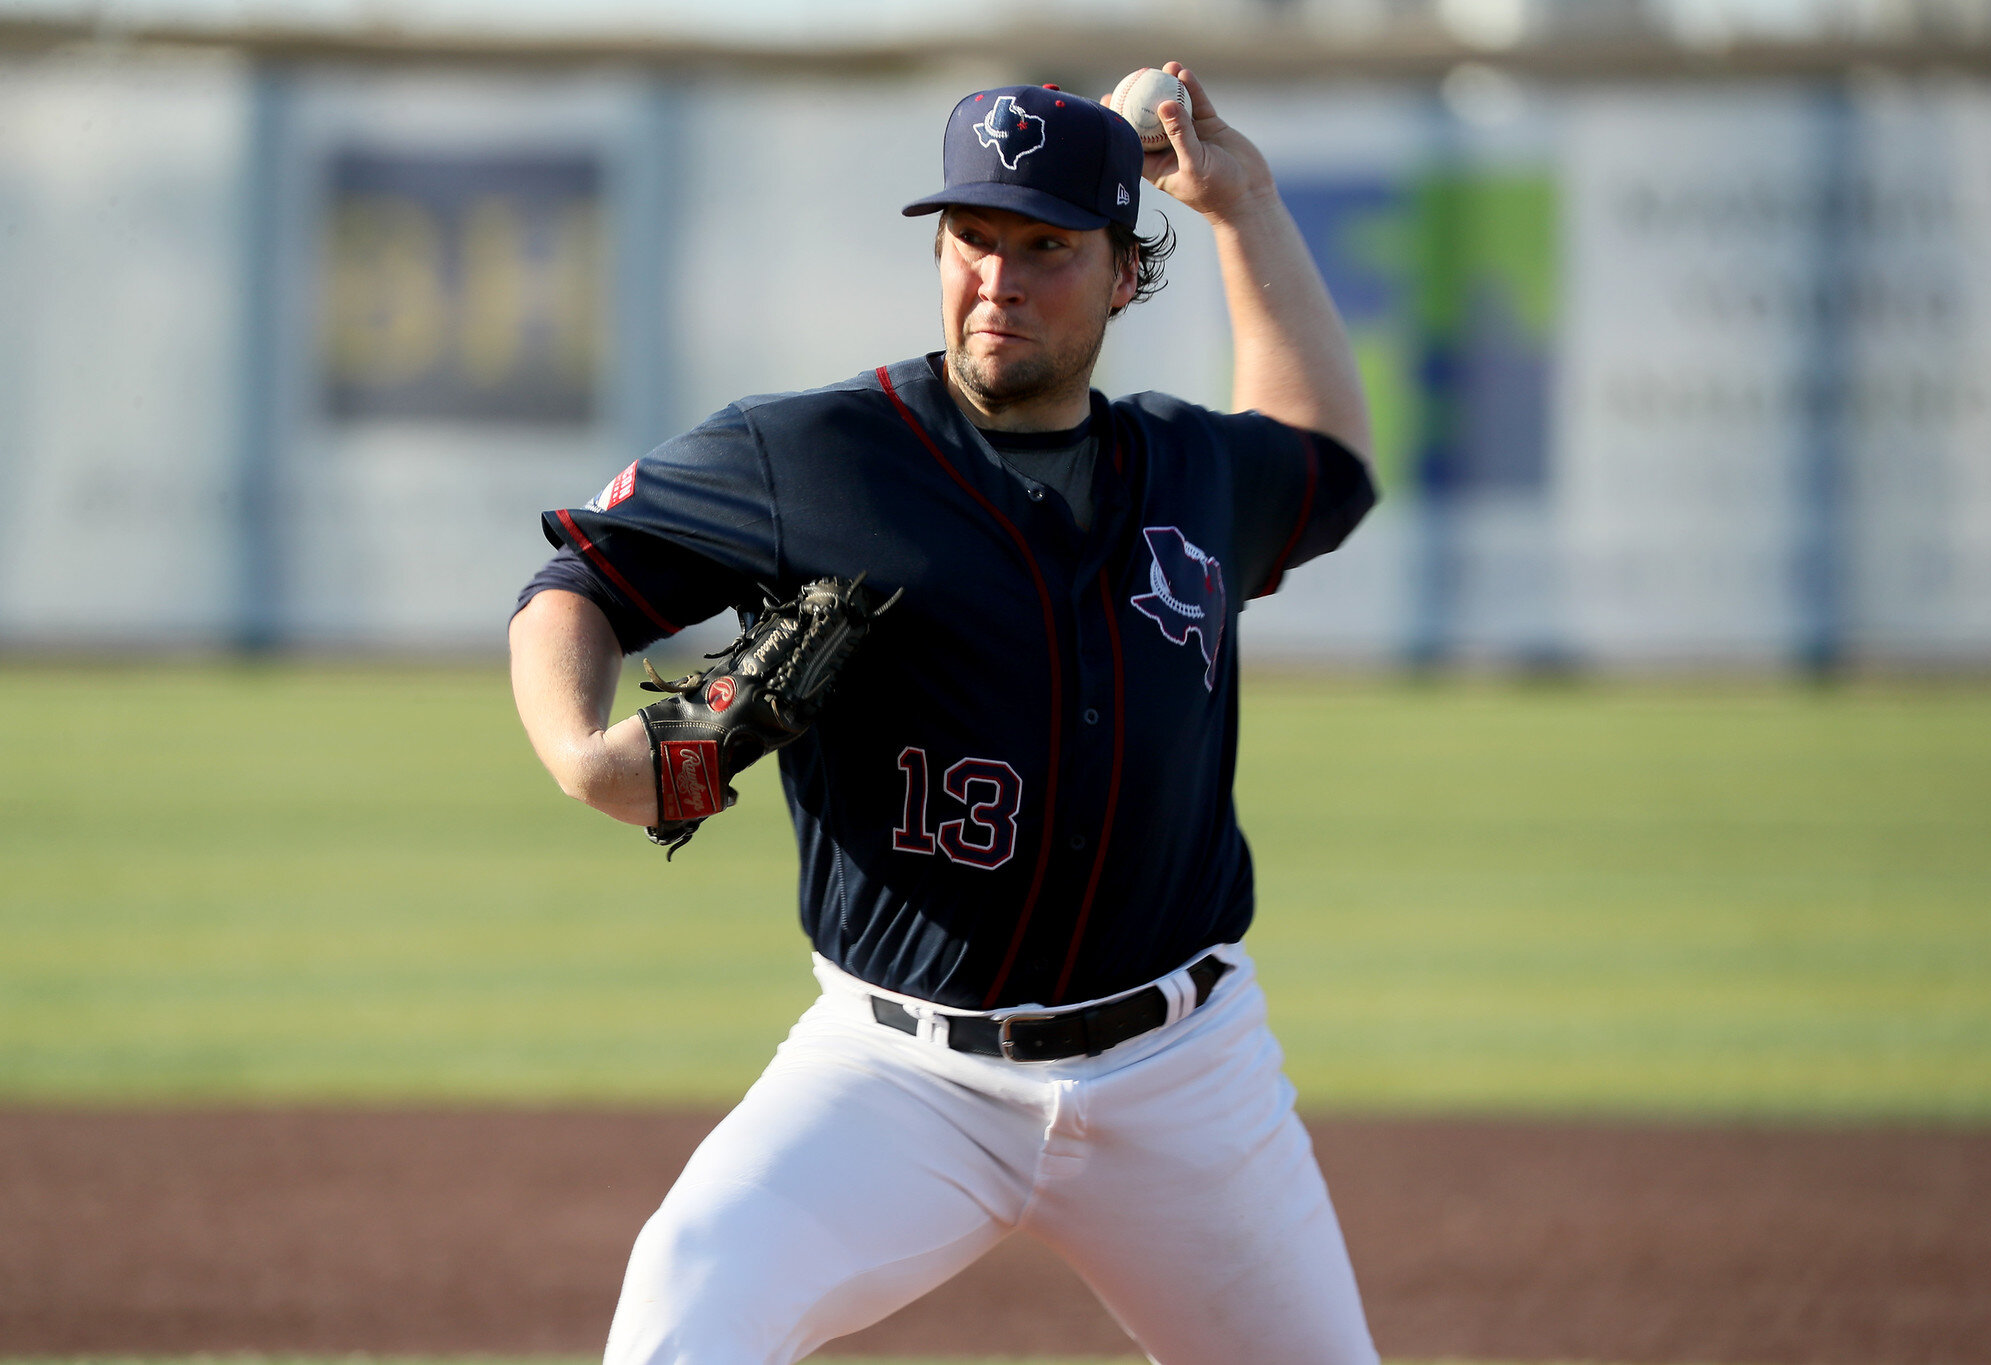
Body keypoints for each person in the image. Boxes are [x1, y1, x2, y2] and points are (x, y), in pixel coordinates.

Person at [508, 63, 1379, 1365]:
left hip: (1183, 1073)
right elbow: (580, 577)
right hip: (902, 1072)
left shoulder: (1192, 466)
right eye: (972, 237)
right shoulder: (812, 454)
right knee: (685, 1296)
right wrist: (589, 756)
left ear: (1126, 275)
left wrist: (1243, 202)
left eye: (1046, 247)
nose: (999, 279)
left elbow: (1330, 464)